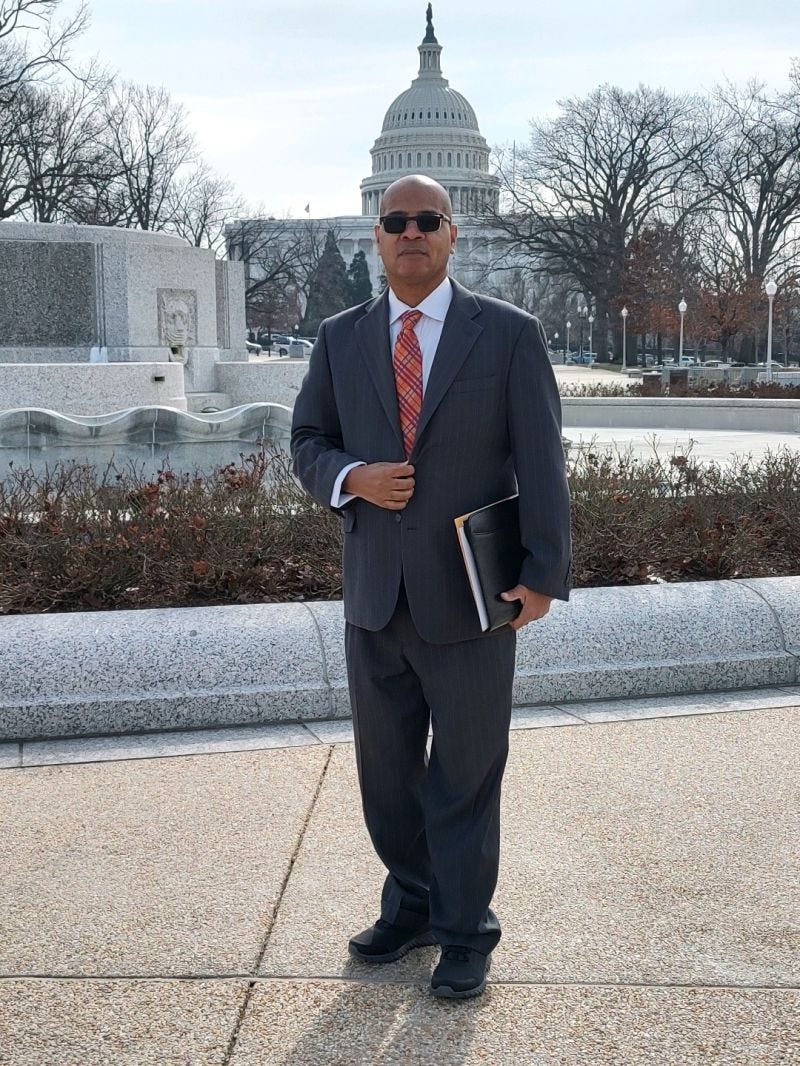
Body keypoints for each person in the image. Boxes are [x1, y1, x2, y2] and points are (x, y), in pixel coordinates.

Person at [291, 174, 571, 999]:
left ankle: (464, 931)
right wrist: (352, 478)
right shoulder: (339, 337)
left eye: (427, 221)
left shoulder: (508, 334)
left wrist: (544, 574)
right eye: (394, 221)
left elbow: (542, 458)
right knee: (386, 776)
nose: (410, 232)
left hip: (473, 599)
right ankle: (411, 903)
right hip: (375, 596)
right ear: (375, 238)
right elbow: (307, 440)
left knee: (468, 772)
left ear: (454, 235)